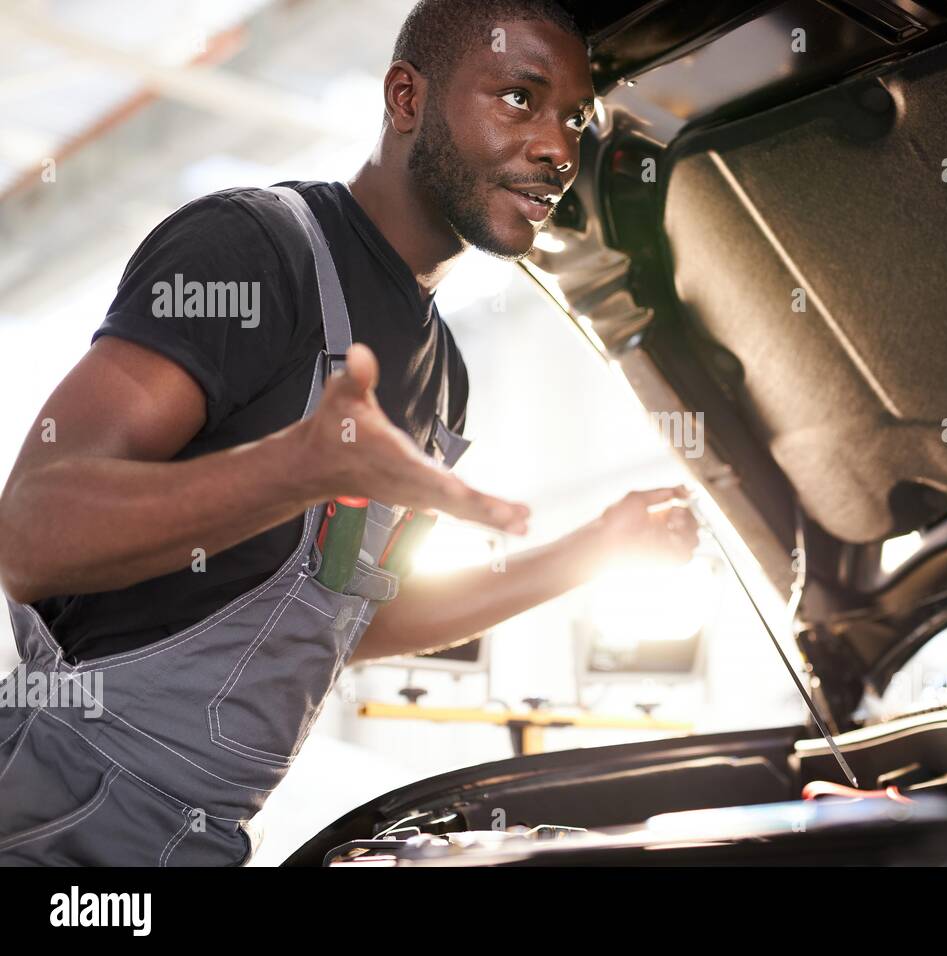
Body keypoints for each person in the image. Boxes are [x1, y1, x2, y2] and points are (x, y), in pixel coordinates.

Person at [0, 0, 698, 866]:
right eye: (520, 98)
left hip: (204, 836)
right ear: (406, 98)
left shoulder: (445, 375)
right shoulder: (255, 253)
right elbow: (29, 534)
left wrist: (592, 551)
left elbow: (354, 618)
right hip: (59, 805)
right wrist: (291, 468)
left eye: (574, 118)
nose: (560, 147)